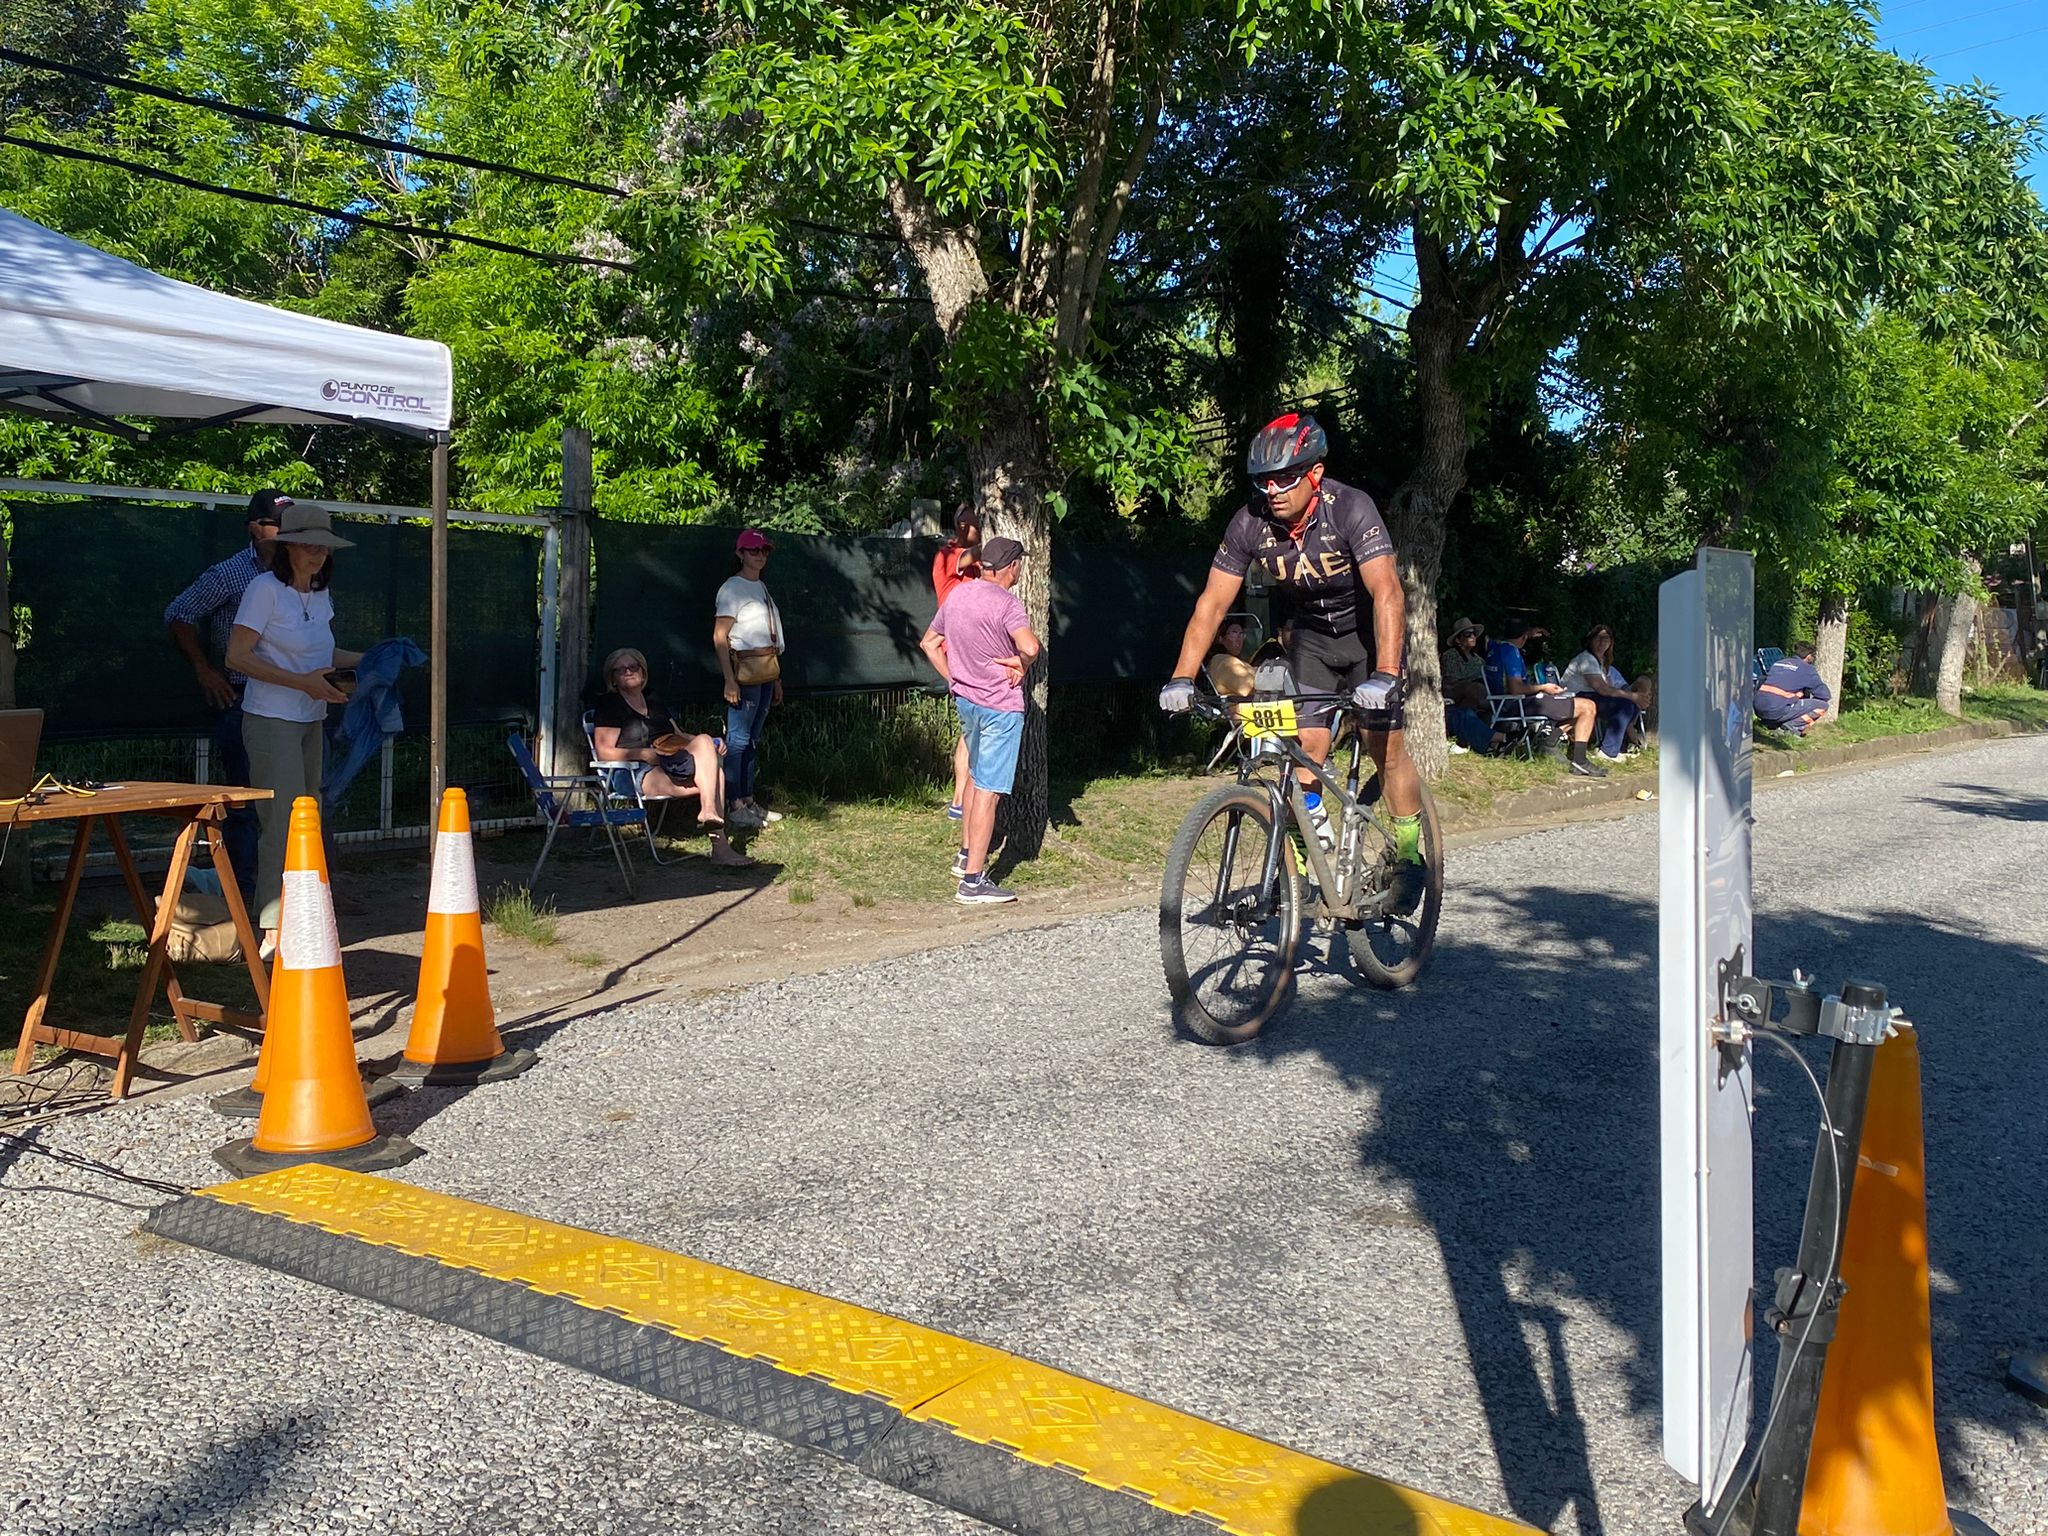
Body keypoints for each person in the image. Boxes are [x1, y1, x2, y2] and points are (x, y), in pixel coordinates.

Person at [1157, 413, 1427, 913]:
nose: (1273, 489)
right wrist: (1180, 675)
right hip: (1313, 642)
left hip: (1369, 638)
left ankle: (1411, 859)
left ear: (1315, 474)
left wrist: (1387, 672)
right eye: (1264, 480)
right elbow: (1212, 604)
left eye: (1285, 478)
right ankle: (1304, 870)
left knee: (1384, 749)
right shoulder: (1250, 522)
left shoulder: (1351, 508)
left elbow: (1387, 591)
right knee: (1305, 755)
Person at [223, 506, 360, 956]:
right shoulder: (264, 590)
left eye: (323, 545)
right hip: (270, 720)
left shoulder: (321, 594)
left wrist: (374, 659)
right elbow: (237, 657)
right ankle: (272, 927)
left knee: (308, 818)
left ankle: (304, 913)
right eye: (307, 543)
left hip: (311, 719)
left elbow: (324, 651)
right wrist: (304, 683)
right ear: (287, 547)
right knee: (279, 823)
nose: (317, 553)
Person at [163, 489, 289, 903]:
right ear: (255, 528)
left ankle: (301, 889)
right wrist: (204, 669)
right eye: (277, 522)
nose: (285, 530)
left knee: (299, 797)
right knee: (245, 800)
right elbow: (180, 613)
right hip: (244, 696)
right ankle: (246, 894)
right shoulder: (230, 573)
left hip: (294, 698)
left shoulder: (303, 570)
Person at [920, 536, 1039, 905]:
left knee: (974, 778)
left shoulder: (958, 595)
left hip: (967, 702)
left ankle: (964, 855)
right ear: (1012, 568)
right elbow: (1031, 646)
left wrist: (953, 677)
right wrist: (1023, 663)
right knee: (988, 790)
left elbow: (928, 642)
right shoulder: (1008, 604)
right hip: (1001, 708)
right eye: (1020, 564)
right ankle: (973, 880)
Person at [591, 648, 752, 867]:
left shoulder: (652, 698)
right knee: (717, 776)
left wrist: (710, 742)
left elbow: (679, 735)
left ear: (643, 671)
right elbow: (604, 752)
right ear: (613, 678)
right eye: (621, 670)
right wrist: (645, 755)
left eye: (633, 667)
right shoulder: (610, 704)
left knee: (705, 743)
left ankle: (708, 812)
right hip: (633, 770)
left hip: (669, 759)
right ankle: (720, 847)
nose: (628, 672)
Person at [713, 529, 785, 829]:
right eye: (753, 550)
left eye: (764, 551)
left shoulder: (760, 587)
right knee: (739, 740)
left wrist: (777, 677)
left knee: (752, 739)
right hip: (746, 671)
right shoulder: (733, 588)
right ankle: (734, 804)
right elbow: (720, 637)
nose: (760, 555)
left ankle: (749, 800)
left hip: (766, 669)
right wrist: (730, 680)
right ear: (740, 554)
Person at [1486, 619, 1605, 776]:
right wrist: (1543, 687)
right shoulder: (1512, 652)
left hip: (1502, 704)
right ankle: (1580, 761)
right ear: (1523, 637)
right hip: (1517, 704)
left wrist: (1527, 633)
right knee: (1588, 706)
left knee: (1575, 704)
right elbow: (1515, 688)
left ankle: (1549, 742)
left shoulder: (1495, 648)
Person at [931, 502, 983, 824]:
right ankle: (961, 800)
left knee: (972, 727)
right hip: (960, 650)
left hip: (980, 648)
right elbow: (970, 557)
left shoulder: (979, 563)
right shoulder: (949, 555)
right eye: (976, 522)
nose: (973, 527)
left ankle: (962, 800)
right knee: (971, 728)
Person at [1562, 625, 1653, 759]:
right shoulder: (1587, 659)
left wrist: (1634, 698)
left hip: (1590, 696)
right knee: (1625, 705)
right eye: (1598, 638)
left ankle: (1621, 744)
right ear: (1590, 640)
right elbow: (1602, 689)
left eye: (1606, 638)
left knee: (1629, 703)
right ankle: (1608, 752)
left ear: (1610, 642)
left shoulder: (1602, 663)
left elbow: (1609, 688)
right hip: (1576, 697)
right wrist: (1633, 696)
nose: (1602, 642)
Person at [1755, 642, 1832, 735]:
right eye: (1813, 656)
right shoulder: (1807, 669)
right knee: (1822, 706)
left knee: (1785, 697)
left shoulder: (1778, 663)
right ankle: (1790, 727)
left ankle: (1770, 723)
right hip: (1775, 710)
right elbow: (1824, 695)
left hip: (1758, 708)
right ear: (1808, 656)